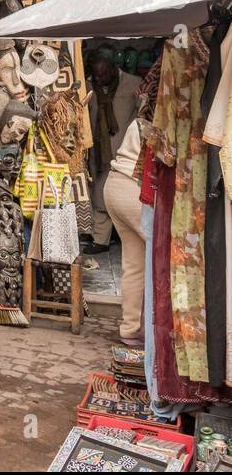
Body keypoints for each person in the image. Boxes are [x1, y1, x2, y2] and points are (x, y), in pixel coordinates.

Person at [103, 115, 145, 346]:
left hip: (115, 185)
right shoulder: (165, 113)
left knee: (134, 263)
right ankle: (160, 331)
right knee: (168, 258)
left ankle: (130, 329)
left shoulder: (141, 116)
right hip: (135, 188)